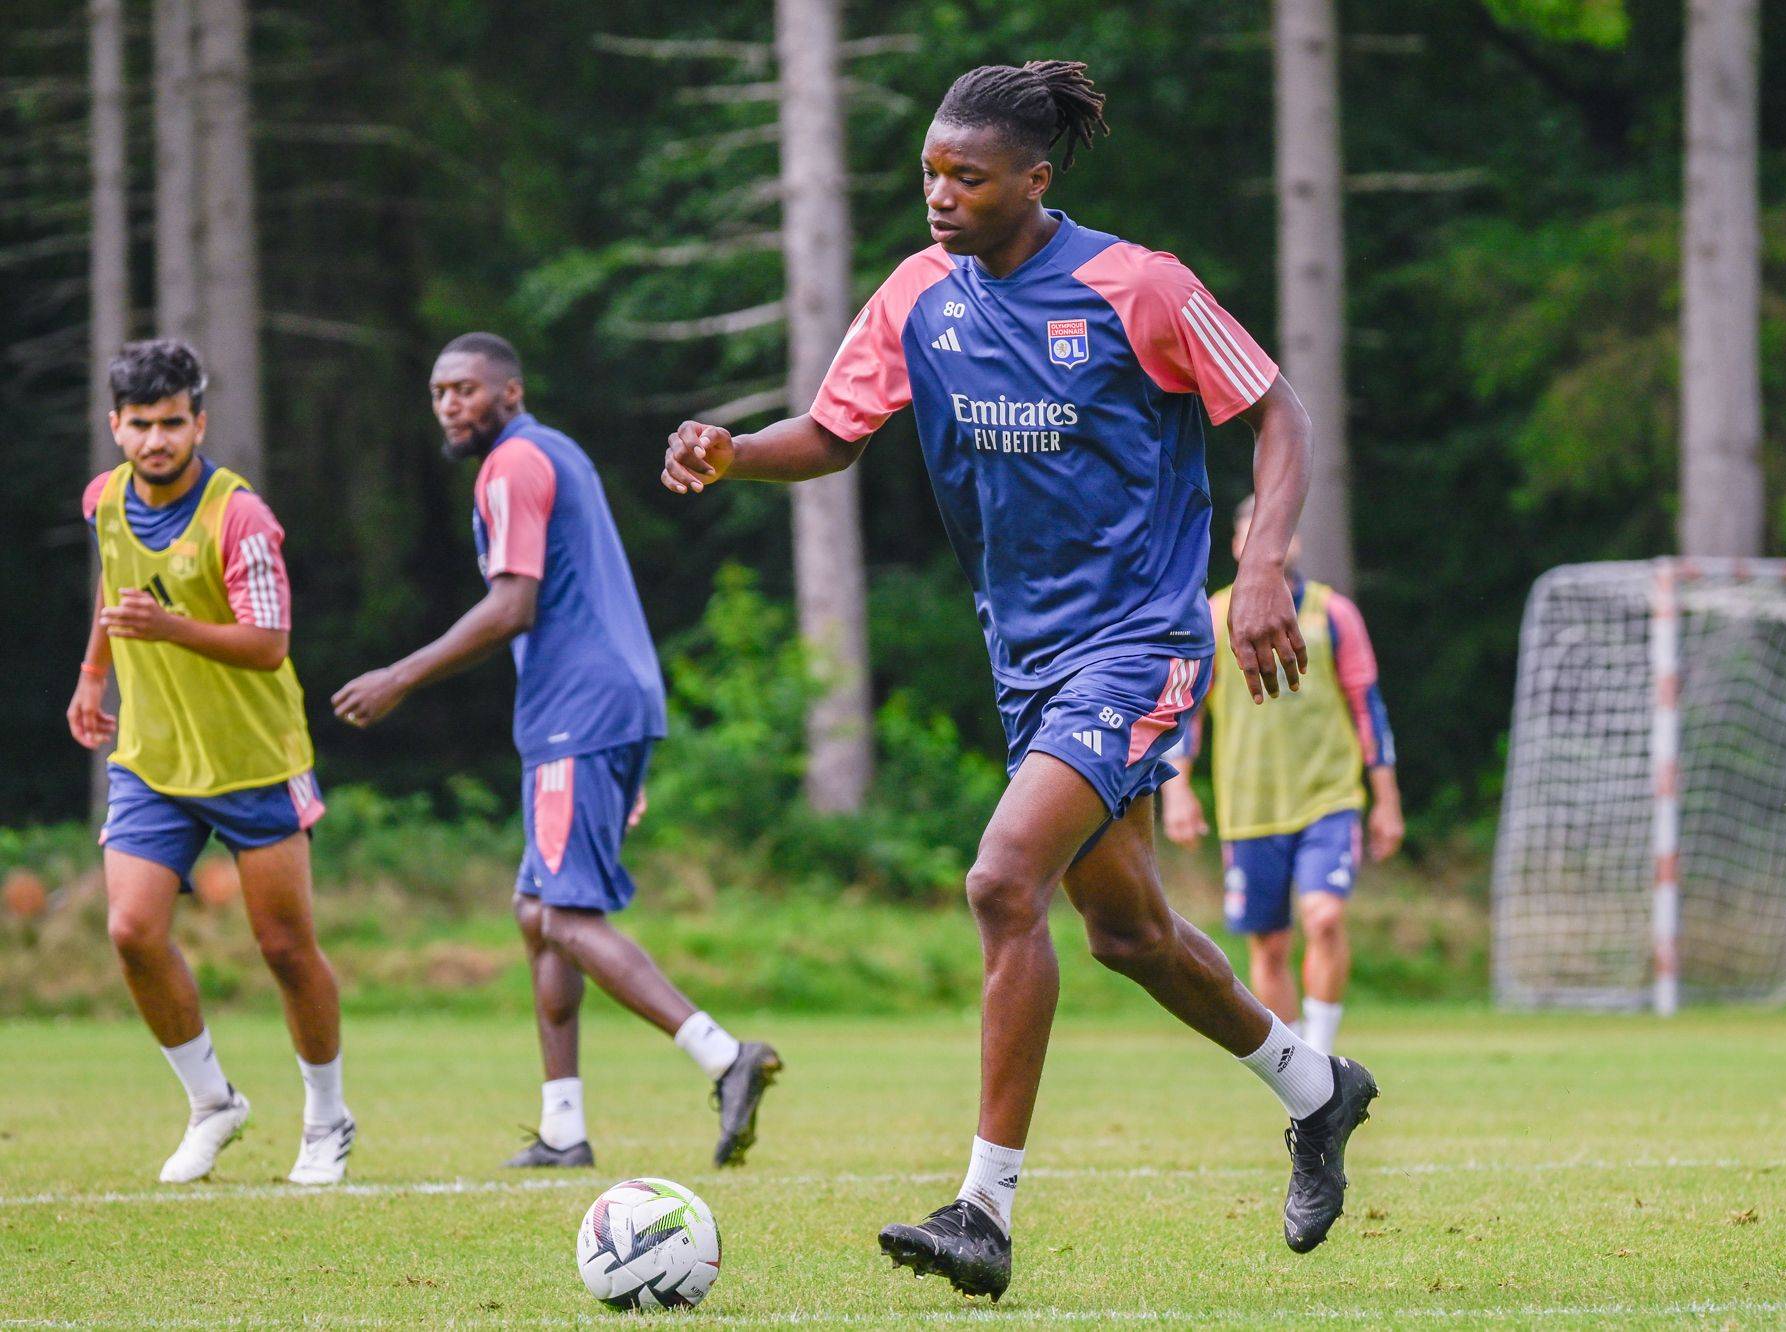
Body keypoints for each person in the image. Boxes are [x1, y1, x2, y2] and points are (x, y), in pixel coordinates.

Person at [661, 61, 1378, 1300]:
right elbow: (830, 434)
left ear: (1034, 181)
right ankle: (1317, 1090)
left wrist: (1260, 564)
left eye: (968, 177)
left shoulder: (1138, 286)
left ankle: (982, 1209)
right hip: (1027, 660)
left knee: (1001, 881)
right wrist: (734, 452)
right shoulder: (916, 294)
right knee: (1127, 933)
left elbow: (1279, 414)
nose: (939, 195)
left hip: (1139, 645)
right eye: (929, 173)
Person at [332, 333, 780, 1170]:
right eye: (438, 392)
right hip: (605, 702)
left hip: (580, 709)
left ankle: (725, 1057)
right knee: (537, 913)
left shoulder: (513, 464)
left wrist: (399, 676)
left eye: (465, 388)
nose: (449, 404)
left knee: (567, 916)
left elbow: (514, 607)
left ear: (510, 391)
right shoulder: (557, 452)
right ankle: (564, 1131)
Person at [68, 339, 354, 1186]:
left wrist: (168, 629)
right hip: (153, 757)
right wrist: (93, 674)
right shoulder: (104, 500)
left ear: (199, 423)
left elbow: (268, 645)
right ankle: (213, 1103)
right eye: (140, 425)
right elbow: (116, 585)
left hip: (253, 758)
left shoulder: (240, 518)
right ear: (115, 426)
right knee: (131, 931)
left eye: (172, 423)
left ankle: (328, 1119)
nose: (155, 440)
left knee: (285, 948)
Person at [1162, 497, 1404, 1057]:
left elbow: (1368, 709)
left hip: (1328, 796)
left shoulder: (1332, 614)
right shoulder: (1212, 617)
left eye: (1278, 533)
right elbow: (1184, 715)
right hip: (1250, 806)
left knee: (1324, 918)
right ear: (1235, 546)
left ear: (1292, 541)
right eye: (1253, 533)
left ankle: (1321, 1054)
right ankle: (1299, 1070)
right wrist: (1176, 794)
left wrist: (1386, 800)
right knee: (1269, 945)